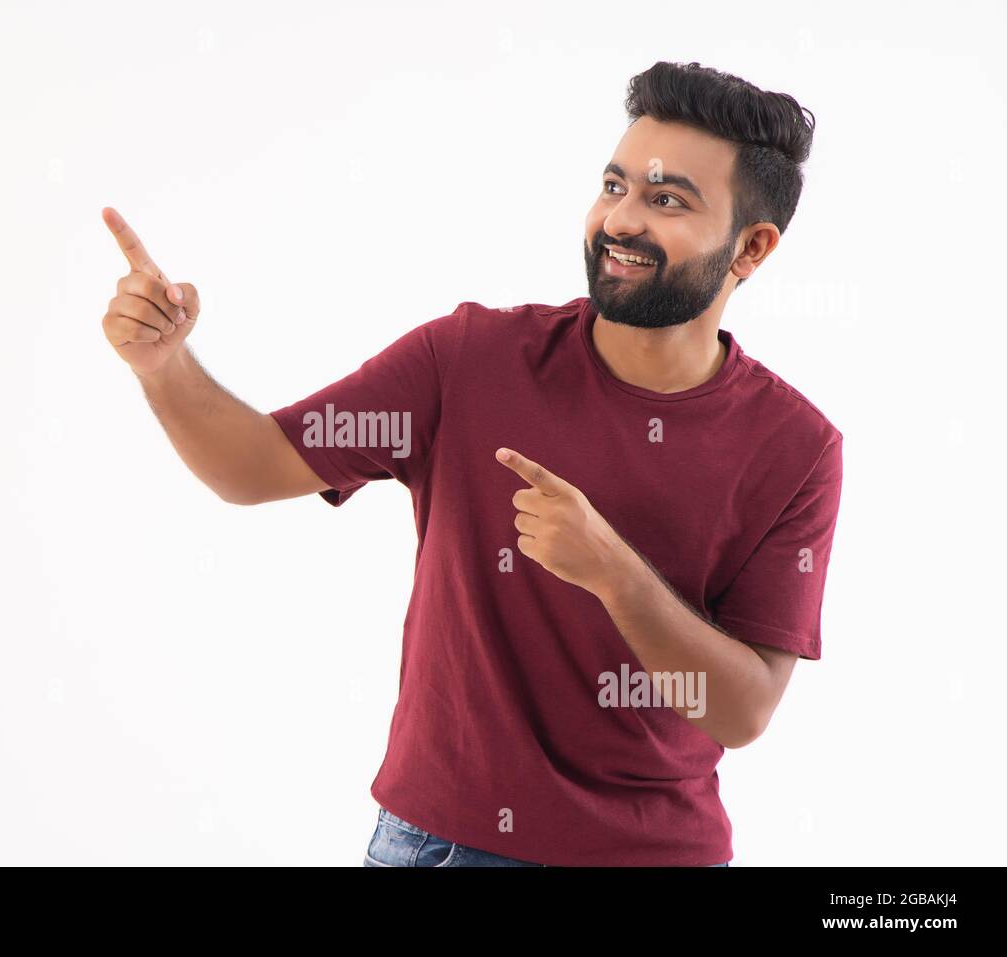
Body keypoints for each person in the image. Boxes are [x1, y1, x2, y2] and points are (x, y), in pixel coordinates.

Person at [97, 60, 841, 868]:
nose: (620, 220)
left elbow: (741, 712)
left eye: (667, 201)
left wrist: (614, 572)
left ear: (752, 248)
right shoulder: (471, 358)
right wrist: (163, 365)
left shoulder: (797, 447)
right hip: (441, 846)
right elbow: (255, 464)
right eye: (614, 185)